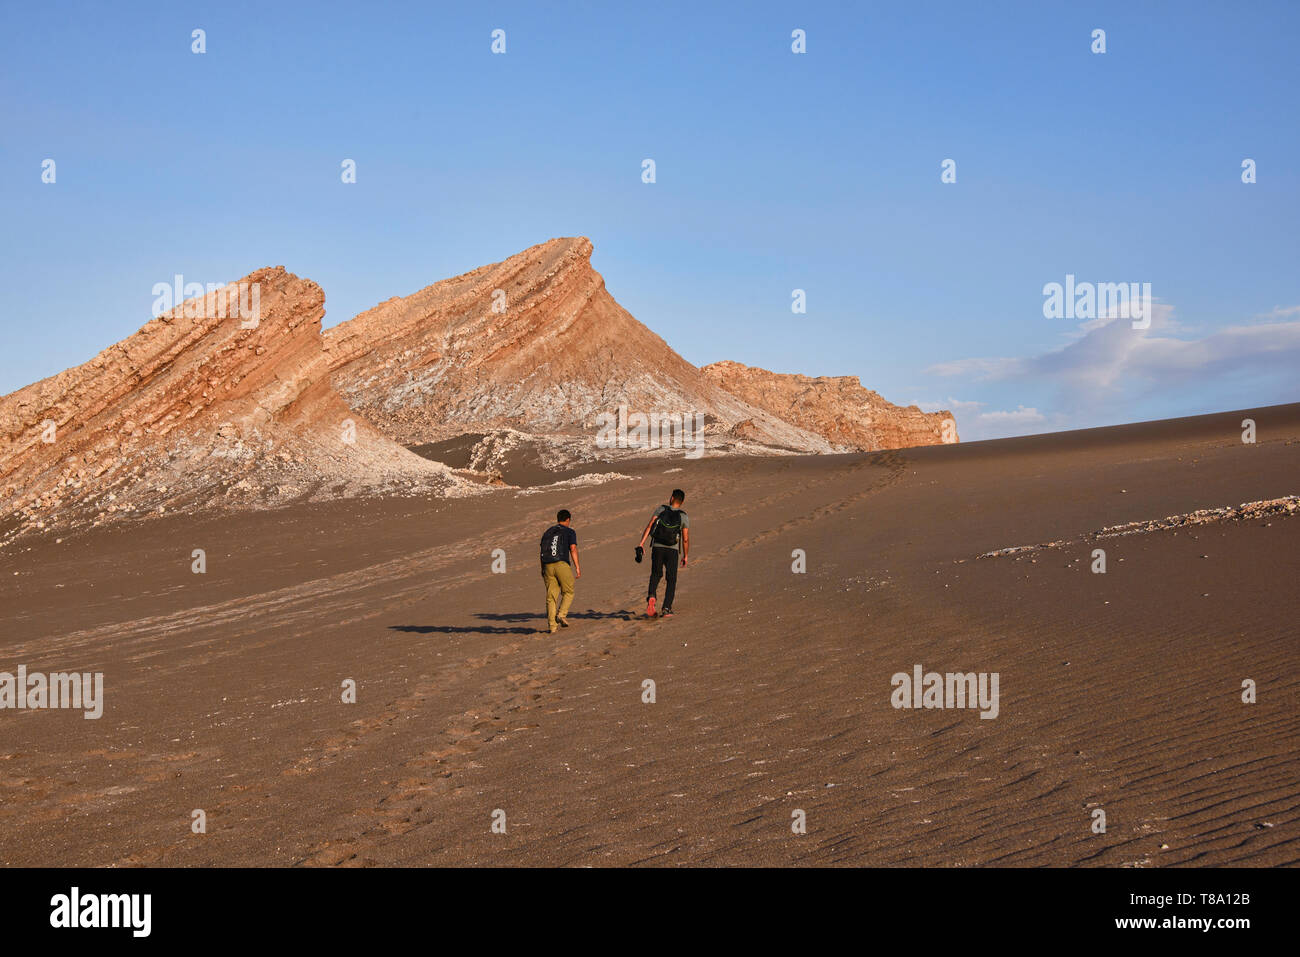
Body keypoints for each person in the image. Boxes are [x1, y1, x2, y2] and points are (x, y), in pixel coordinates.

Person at [636, 489, 688, 618]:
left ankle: (652, 596)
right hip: (673, 550)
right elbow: (685, 538)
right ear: (682, 502)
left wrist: (641, 544)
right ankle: (666, 608)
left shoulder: (661, 509)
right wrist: (685, 555)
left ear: (671, 498)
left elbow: (650, 526)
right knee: (671, 579)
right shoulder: (683, 516)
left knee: (656, 574)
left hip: (657, 547)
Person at [540, 509, 580, 633]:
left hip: (547, 565)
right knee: (569, 591)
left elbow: (541, 551)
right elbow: (573, 549)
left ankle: (552, 627)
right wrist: (577, 567)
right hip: (561, 563)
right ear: (568, 520)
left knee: (551, 597)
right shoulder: (570, 531)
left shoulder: (547, 532)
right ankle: (561, 615)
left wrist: (542, 568)